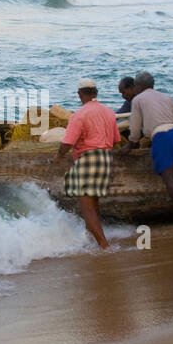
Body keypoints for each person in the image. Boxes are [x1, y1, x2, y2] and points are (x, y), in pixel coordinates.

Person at [118, 71, 173, 229]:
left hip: (161, 137)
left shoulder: (138, 99)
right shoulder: (166, 97)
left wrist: (131, 144)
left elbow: (134, 127)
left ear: (139, 86)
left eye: (135, 85)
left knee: (169, 178)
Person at [53, 79, 122, 249]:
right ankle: (90, 237)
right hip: (105, 158)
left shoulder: (79, 115)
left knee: (86, 206)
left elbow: (68, 142)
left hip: (88, 159)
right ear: (96, 93)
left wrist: (59, 156)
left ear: (79, 94)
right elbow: (115, 139)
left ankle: (104, 246)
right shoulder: (109, 113)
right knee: (94, 201)